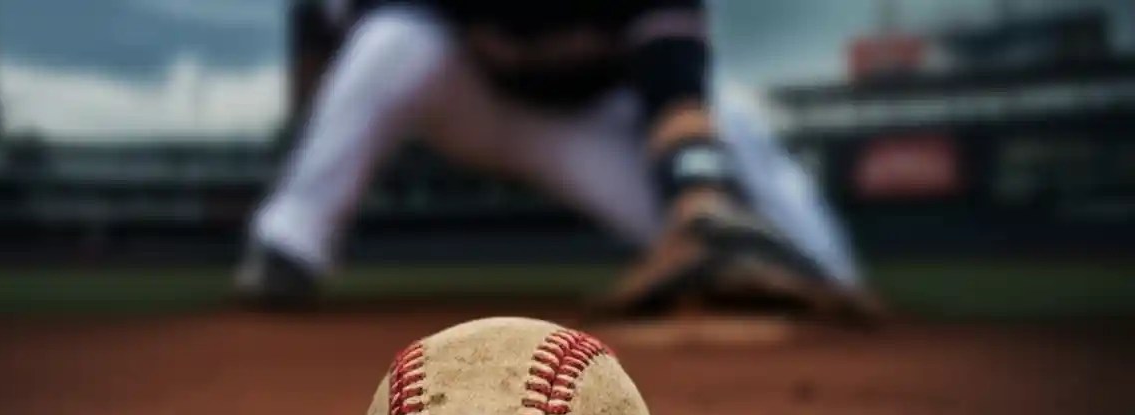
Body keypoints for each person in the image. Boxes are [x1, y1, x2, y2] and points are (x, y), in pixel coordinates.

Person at [236, 0, 882, 321]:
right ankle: (291, 244)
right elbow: (329, 22)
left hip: (594, 123)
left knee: (734, 129)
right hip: (472, 103)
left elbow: (676, 83)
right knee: (393, 42)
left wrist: (697, 198)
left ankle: (826, 268)